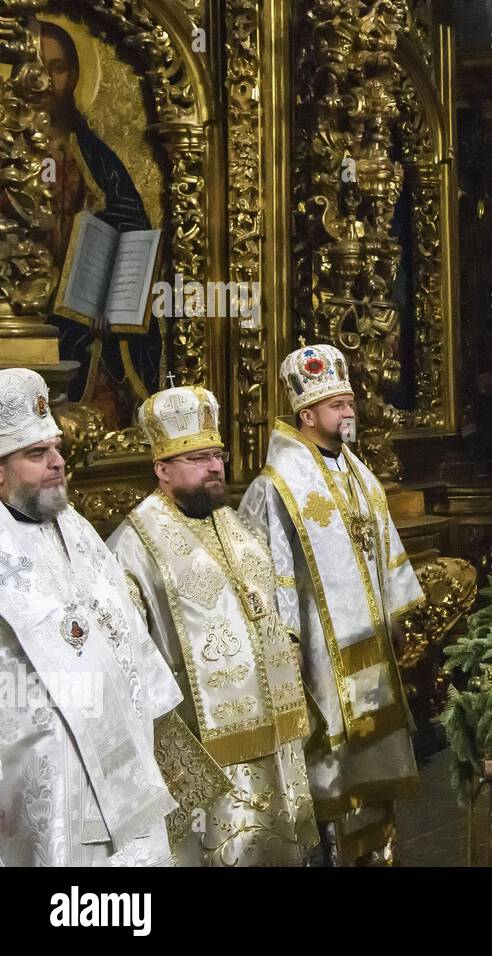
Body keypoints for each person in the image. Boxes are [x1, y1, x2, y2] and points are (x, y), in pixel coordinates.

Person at [109, 384, 317, 866]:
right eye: (197, 458)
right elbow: (129, 657)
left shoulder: (235, 524)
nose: (214, 467)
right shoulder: (131, 546)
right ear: (162, 470)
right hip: (203, 739)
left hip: (276, 727)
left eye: (217, 455)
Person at [239, 344, 426, 866]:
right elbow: (267, 571)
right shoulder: (277, 488)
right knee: (330, 768)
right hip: (320, 658)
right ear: (307, 415)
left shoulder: (358, 474)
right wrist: (286, 644)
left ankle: (377, 854)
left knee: (373, 763)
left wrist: (393, 614)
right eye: (338, 405)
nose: (350, 412)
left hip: (369, 650)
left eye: (350, 402)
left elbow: (383, 546)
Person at [0, 368, 181, 866]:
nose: (59, 463)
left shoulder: (73, 525)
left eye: (55, 448)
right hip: (42, 773)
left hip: (122, 752)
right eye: (37, 455)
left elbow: (123, 627)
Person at [38, 20, 161, 429]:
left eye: (57, 68)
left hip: (84, 322)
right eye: (36, 66)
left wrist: (112, 302)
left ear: (74, 75)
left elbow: (132, 228)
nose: (45, 79)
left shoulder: (94, 156)